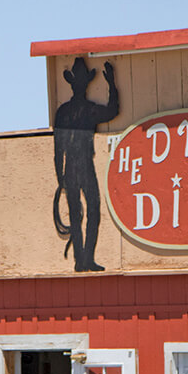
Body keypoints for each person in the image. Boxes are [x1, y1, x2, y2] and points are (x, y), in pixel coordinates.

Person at [52, 57, 119, 272]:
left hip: (80, 166)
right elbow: (58, 148)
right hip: (75, 166)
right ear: (75, 84)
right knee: (81, 213)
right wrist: (60, 177)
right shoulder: (66, 112)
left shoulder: (72, 111)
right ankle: (82, 260)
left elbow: (111, 111)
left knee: (90, 211)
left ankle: (85, 259)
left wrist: (111, 84)